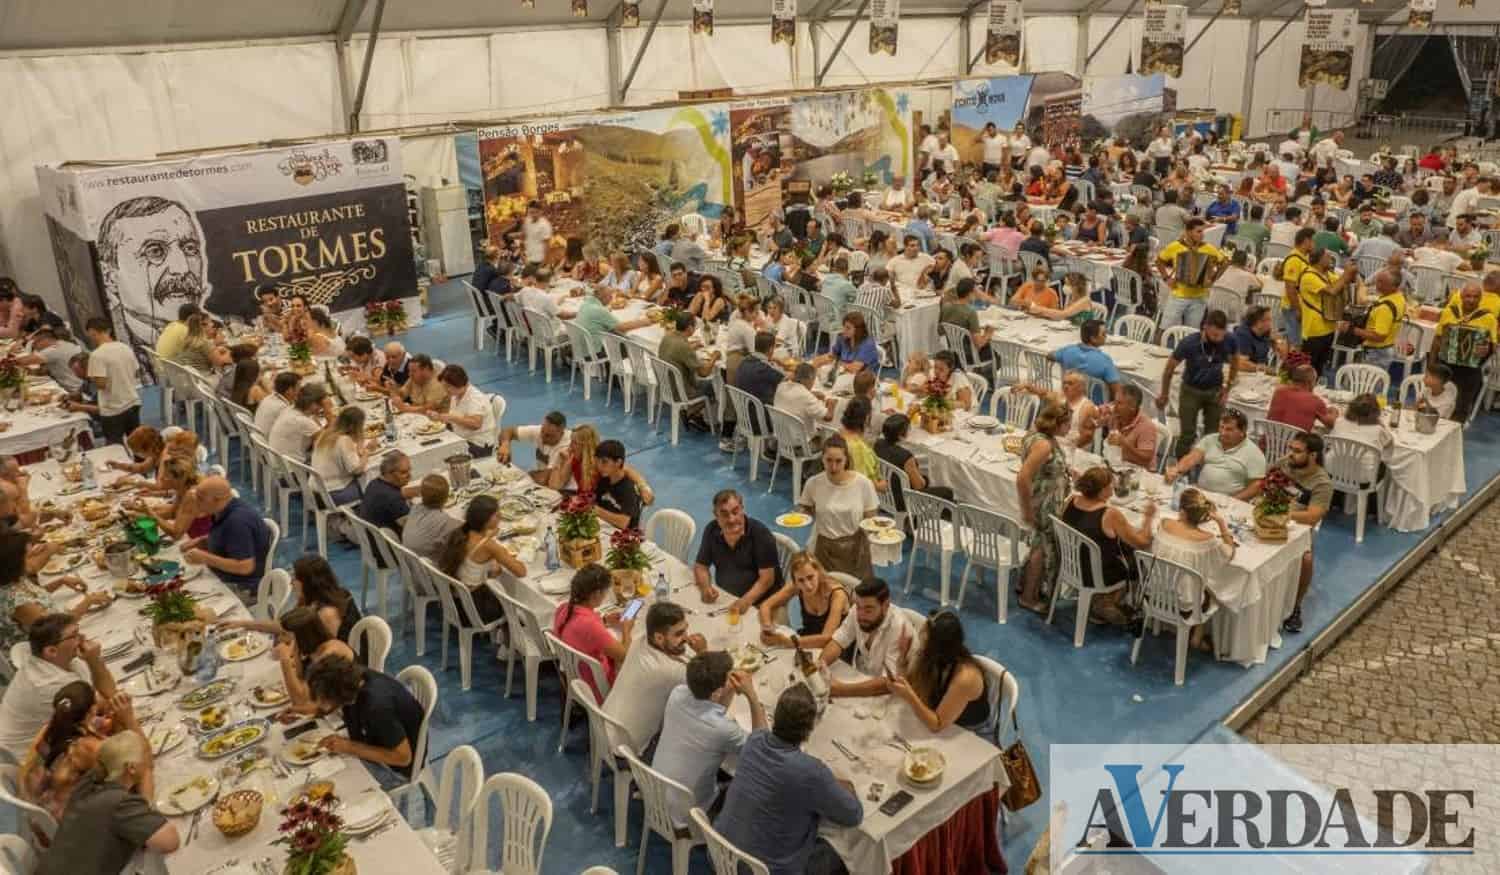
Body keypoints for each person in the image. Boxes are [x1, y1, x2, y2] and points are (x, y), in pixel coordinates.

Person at [714, 683, 861, 875]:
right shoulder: (812, 772)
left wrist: (752, 696)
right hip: (763, 870)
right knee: (846, 848)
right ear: (810, 729)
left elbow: (760, 731)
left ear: (775, 718)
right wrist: (847, 786)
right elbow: (853, 815)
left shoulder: (754, 741)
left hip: (721, 855)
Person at [35, 730, 178, 875]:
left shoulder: (88, 782)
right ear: (131, 768)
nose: (147, 761)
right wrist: (147, 812)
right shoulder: (119, 802)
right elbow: (170, 842)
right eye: (144, 757)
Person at [653, 651, 765, 822]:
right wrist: (752, 695)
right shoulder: (723, 729)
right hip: (688, 812)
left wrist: (727, 690)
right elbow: (762, 749)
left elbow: (715, 708)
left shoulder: (677, 693)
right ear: (716, 693)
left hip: (655, 790)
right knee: (746, 785)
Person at [0, 614, 118, 759]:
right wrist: (94, 660)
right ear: (51, 651)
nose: (83, 638)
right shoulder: (51, 683)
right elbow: (112, 701)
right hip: (28, 761)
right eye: (74, 635)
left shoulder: (55, 659)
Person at [1252, 433, 1332, 634]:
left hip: (1296, 528)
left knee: (1306, 560)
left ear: (1313, 455)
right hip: (1266, 518)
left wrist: (1282, 514)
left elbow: (1313, 516)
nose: (1290, 454)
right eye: (1290, 448)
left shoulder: (1322, 483)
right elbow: (1263, 485)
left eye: (1297, 451)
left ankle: (1295, 606)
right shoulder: (1284, 464)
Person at [601, 601, 707, 753]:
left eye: (685, 630)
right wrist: (703, 652)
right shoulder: (670, 671)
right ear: (659, 638)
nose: (686, 637)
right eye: (679, 634)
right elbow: (707, 686)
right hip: (625, 749)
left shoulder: (641, 639)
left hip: (604, 722)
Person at [1060, 467, 1156, 625]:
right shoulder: (1110, 514)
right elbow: (1142, 542)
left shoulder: (1071, 500)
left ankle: (1102, 600)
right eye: (1111, 485)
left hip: (1070, 563)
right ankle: (1108, 601)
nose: (1114, 487)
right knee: (1138, 561)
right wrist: (1148, 518)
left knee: (1119, 545)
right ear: (1102, 491)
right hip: (1095, 574)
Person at [307, 657, 425, 779]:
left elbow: (403, 758)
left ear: (338, 695)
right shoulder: (355, 678)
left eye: (324, 700)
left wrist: (348, 746)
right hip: (379, 738)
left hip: (397, 765)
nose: (322, 705)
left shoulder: (376, 707)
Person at [1148, 487, 1235, 651]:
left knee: (1196, 583)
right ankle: (1197, 636)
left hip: (1154, 594)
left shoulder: (1164, 523)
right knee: (1213, 589)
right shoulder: (1207, 539)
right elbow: (1229, 554)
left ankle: (1191, 634)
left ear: (1182, 511)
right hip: (1183, 605)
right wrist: (1222, 524)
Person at [888, 609, 993, 733]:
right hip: (942, 722)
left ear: (938, 647)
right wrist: (903, 656)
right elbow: (911, 685)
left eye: (925, 639)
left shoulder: (966, 678)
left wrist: (909, 696)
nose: (920, 640)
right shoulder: (932, 658)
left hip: (970, 732)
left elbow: (937, 724)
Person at [1016, 401, 1074, 612]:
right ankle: (1028, 597)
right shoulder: (1044, 445)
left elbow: (1046, 467)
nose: (1070, 428)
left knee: (1038, 546)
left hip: (1045, 499)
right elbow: (1022, 478)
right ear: (1057, 423)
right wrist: (1027, 510)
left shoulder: (1038, 436)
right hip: (1044, 503)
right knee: (1041, 549)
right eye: (1068, 424)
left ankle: (1027, 587)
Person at [816, 575, 915, 697]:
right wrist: (820, 665)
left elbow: (889, 682)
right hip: (864, 679)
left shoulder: (900, 628)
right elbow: (838, 641)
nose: (861, 615)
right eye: (858, 607)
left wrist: (841, 690)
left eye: (868, 610)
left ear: (885, 606)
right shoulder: (857, 610)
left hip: (894, 695)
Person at [1159, 310, 1239, 459]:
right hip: (1191, 390)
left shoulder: (1230, 340)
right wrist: (1164, 394)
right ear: (1205, 327)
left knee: (1213, 436)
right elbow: (1169, 369)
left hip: (1215, 391)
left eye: (1221, 335)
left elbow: (1235, 362)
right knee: (1187, 434)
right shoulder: (1189, 343)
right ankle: (1180, 467)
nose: (1218, 339)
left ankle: (1207, 467)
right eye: (1214, 335)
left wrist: (1228, 387)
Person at [798, 436, 879, 579]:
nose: (833, 467)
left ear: (846, 459)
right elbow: (806, 508)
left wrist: (879, 537)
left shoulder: (863, 484)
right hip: (824, 549)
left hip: (855, 550)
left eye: (838, 461)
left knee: (857, 590)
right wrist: (800, 515)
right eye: (829, 460)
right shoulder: (813, 483)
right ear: (822, 459)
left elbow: (871, 519)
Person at [437, 495, 527, 623]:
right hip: (473, 609)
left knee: (496, 575)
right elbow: (521, 572)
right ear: (485, 520)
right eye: (496, 515)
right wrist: (500, 552)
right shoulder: (489, 546)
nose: (500, 517)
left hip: (453, 600)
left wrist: (488, 538)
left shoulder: (461, 531)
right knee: (519, 606)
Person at [693, 488, 782, 613]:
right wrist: (705, 588)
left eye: (735, 512)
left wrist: (745, 601)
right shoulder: (711, 530)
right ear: (716, 515)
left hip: (765, 602)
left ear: (742, 509)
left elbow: (767, 579)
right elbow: (701, 566)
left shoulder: (761, 534)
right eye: (724, 514)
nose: (731, 519)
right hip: (727, 598)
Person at [552, 564, 632, 700]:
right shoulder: (591, 625)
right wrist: (626, 628)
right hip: (597, 688)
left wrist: (604, 620)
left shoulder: (563, 609)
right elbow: (624, 656)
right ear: (597, 594)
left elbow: (581, 630)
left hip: (575, 678)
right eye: (606, 592)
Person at [182, 476, 271, 592]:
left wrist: (205, 558)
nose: (196, 502)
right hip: (225, 575)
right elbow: (226, 536)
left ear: (217, 500)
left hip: (242, 586)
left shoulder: (237, 522)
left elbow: (245, 567)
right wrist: (202, 540)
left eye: (201, 498)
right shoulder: (223, 509)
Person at [1165, 409, 1265, 500]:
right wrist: (1176, 470)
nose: (1223, 433)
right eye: (1221, 427)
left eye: (1229, 429)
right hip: (1200, 495)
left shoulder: (1253, 452)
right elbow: (1192, 457)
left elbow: (1257, 485)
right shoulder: (1210, 439)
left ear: (1242, 431)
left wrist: (1234, 499)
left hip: (1228, 502)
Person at [758, 553, 850, 649]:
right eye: (801, 580)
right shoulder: (796, 586)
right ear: (795, 581)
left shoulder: (837, 595)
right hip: (807, 641)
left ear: (819, 572)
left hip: (836, 648)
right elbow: (766, 605)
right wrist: (768, 628)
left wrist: (787, 641)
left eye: (810, 577)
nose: (807, 585)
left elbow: (826, 639)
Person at [1434, 281, 1496, 422]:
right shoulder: (1450, 312)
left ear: (1480, 298)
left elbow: (1492, 345)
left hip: (1470, 370)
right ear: (1461, 296)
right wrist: (1432, 366)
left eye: (1475, 297)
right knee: (1439, 405)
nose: (1471, 300)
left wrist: (1486, 350)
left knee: (1461, 410)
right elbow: (1437, 339)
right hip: (1446, 366)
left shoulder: (1488, 318)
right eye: (1468, 296)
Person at [1297, 247, 1362, 376]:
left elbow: (1342, 283)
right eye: (1327, 257)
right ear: (1319, 259)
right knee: (1307, 369)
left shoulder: (1327, 275)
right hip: (1314, 331)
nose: (1331, 259)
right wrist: (1346, 274)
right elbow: (1332, 291)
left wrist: (1352, 274)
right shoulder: (1308, 276)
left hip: (1329, 328)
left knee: (1319, 368)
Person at [1156, 219, 1227, 330]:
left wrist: (1213, 279)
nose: (1202, 235)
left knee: (1191, 331)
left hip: (1199, 298)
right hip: (1179, 295)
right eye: (1199, 231)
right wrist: (1166, 278)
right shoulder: (1175, 246)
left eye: (1203, 231)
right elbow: (1159, 261)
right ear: (1188, 232)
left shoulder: (1208, 248)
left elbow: (1224, 263)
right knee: (1165, 328)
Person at [83, 317, 142, 445]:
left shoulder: (97, 355)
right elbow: (136, 372)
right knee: (137, 443)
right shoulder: (125, 347)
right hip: (132, 401)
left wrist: (92, 377)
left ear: (91, 332)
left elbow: (101, 384)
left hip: (113, 409)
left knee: (115, 447)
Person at [431, 364, 497, 457]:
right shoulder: (456, 394)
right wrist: (440, 417)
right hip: (461, 438)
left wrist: (452, 418)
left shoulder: (474, 398)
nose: (445, 390)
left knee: (438, 454)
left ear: (458, 383)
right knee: (433, 444)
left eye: (448, 386)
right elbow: (456, 417)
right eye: (444, 387)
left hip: (478, 445)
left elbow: (476, 424)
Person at [311, 406, 373, 505]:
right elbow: (356, 470)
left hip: (316, 490)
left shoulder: (325, 434)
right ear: (353, 426)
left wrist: (360, 444)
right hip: (333, 494)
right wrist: (367, 452)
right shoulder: (343, 440)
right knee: (373, 483)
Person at [498, 411, 571, 483]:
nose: (542, 437)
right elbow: (508, 431)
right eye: (542, 431)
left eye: (548, 435)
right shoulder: (542, 431)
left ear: (561, 432)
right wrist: (505, 444)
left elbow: (543, 479)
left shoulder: (565, 447)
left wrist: (528, 474)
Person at [1099, 383, 1158, 469]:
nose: (1114, 406)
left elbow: (1146, 459)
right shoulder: (1115, 414)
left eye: (1119, 403)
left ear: (1132, 407)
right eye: (1115, 401)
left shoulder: (1147, 427)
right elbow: (1093, 422)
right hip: (1115, 465)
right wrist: (1098, 412)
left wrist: (1123, 443)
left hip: (1139, 472)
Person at [358, 450, 419, 533]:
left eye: (409, 470)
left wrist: (420, 490)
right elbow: (414, 528)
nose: (409, 475)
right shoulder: (393, 499)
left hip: (370, 534)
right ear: (389, 474)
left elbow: (398, 493)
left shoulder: (374, 483)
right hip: (392, 538)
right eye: (403, 472)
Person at [1053, 319, 1121, 391]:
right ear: (1093, 338)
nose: (1106, 336)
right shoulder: (1105, 360)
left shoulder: (1067, 350)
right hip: (1094, 398)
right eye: (1103, 334)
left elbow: (1050, 356)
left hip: (1069, 394)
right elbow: (1117, 390)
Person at [1268, 364, 1339, 432]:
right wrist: (1334, 412)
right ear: (1310, 382)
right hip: (1296, 440)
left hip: (1270, 438)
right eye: (1314, 382)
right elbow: (1330, 424)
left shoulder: (1279, 391)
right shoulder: (1314, 401)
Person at [268, 382, 330, 460]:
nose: (321, 408)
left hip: (280, 461)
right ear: (313, 404)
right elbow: (331, 444)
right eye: (321, 405)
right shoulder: (303, 421)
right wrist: (329, 412)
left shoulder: (290, 409)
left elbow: (319, 431)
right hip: (293, 465)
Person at [592, 440, 643, 529]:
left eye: (604, 462)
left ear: (618, 462)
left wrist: (597, 510)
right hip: (605, 526)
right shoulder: (604, 479)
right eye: (597, 461)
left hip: (624, 534)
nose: (599, 466)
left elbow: (623, 523)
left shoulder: (628, 489)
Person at [774, 363, 836, 434]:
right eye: (814, 379)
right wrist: (831, 403)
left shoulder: (781, 386)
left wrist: (810, 393)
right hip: (802, 438)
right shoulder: (806, 397)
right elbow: (828, 417)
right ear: (810, 378)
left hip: (781, 433)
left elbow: (797, 394)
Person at [816, 311, 880, 376]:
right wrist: (818, 360)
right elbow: (831, 355)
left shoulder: (868, 344)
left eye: (848, 328)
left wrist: (837, 363)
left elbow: (854, 369)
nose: (843, 330)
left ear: (858, 330)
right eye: (844, 326)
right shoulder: (843, 338)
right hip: (845, 373)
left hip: (862, 378)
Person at [253, 371, 301, 436]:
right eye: (298, 387)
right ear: (289, 390)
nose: (300, 390)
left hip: (258, 437)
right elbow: (296, 430)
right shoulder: (283, 408)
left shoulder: (268, 398)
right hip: (268, 440)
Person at [1232, 305, 1276, 372]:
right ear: (1258, 322)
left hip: (1261, 372)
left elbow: (1278, 348)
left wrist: (1278, 345)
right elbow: (1240, 363)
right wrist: (1263, 368)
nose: (1271, 323)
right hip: (1246, 373)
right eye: (1268, 319)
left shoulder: (1266, 332)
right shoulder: (1242, 335)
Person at [521, 200, 553, 266]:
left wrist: (544, 262)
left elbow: (547, 245)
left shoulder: (545, 225)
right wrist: (523, 255)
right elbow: (524, 236)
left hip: (539, 260)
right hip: (528, 258)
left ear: (541, 211)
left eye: (535, 212)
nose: (533, 215)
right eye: (531, 212)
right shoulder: (527, 221)